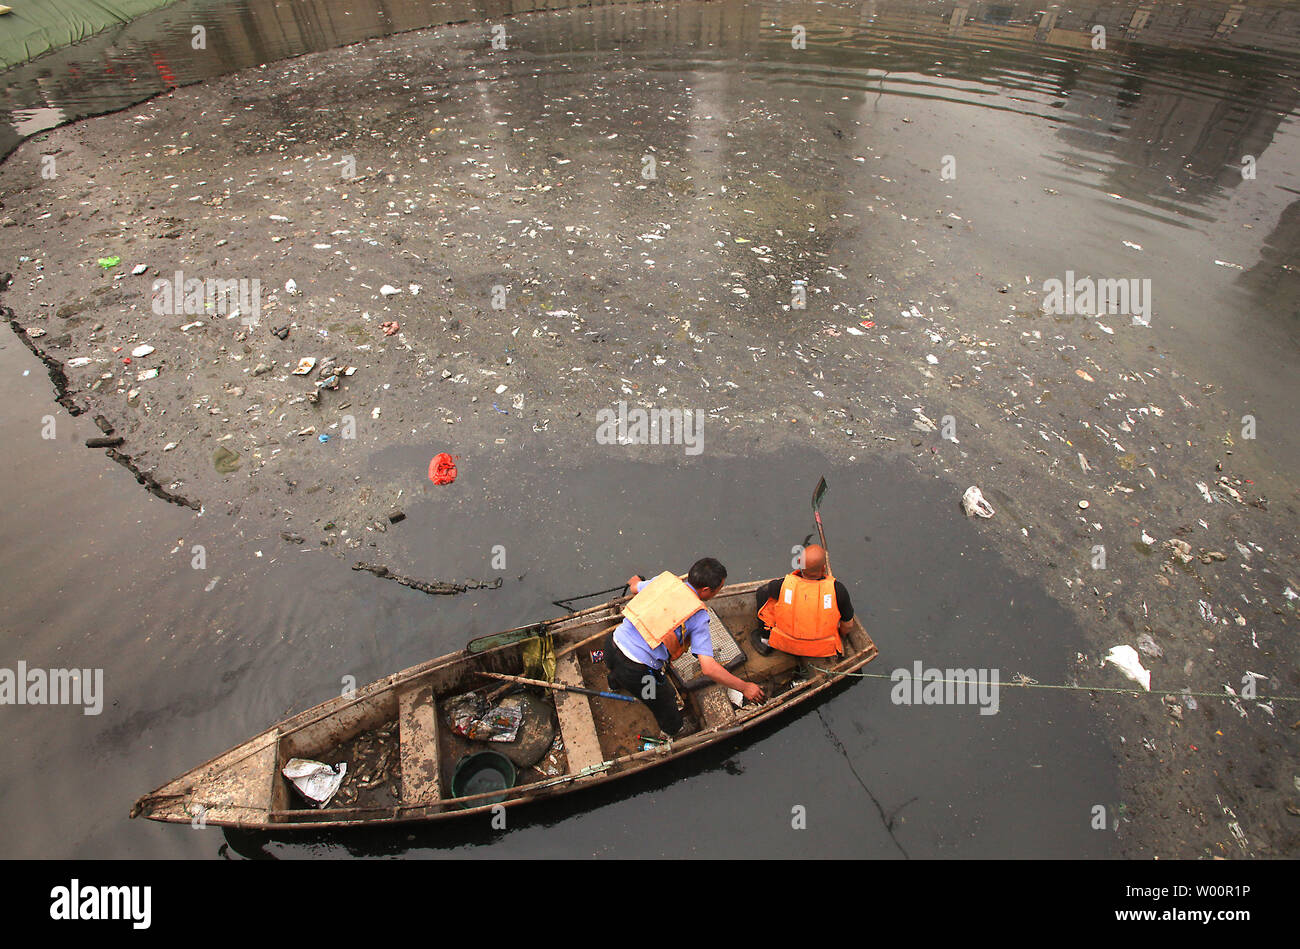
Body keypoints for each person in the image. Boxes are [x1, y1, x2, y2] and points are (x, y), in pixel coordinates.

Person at [604, 557, 765, 736]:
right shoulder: (698, 616)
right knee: (664, 701)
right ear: (706, 590)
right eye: (719, 588)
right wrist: (745, 687)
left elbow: (635, 587)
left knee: (617, 670)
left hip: (611, 645)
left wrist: (634, 580)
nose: (719, 591)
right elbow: (709, 668)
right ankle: (674, 730)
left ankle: (614, 684)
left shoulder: (664, 582)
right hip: (638, 672)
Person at [752, 544, 856, 658]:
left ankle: (765, 640)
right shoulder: (838, 590)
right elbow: (848, 626)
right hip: (823, 649)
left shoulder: (783, 585)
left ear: (799, 563)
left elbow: (761, 592)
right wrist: (840, 633)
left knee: (767, 597)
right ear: (823, 568)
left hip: (785, 644)